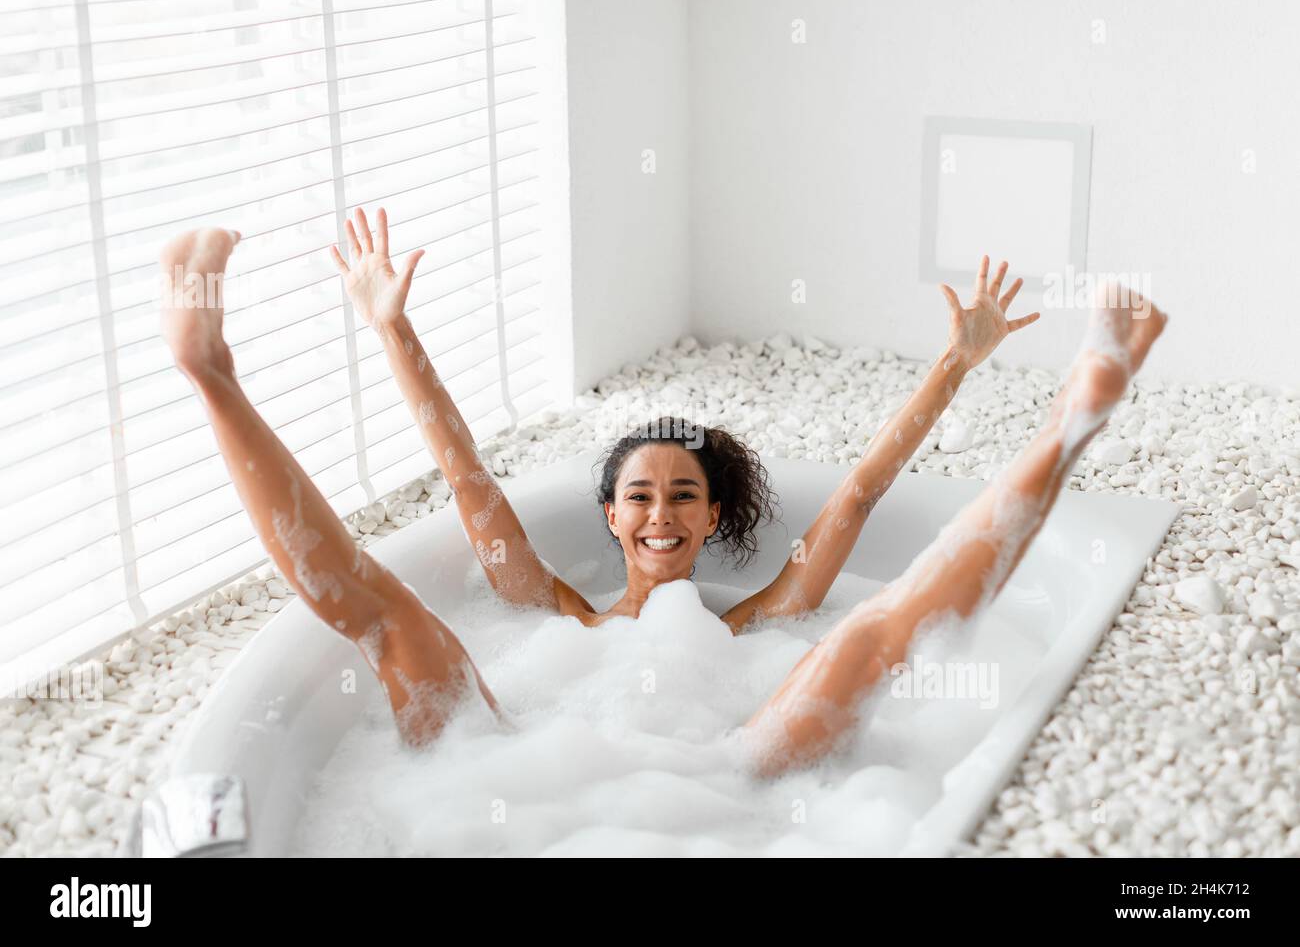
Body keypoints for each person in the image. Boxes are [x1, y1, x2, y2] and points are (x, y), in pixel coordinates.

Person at [158, 206, 1165, 777]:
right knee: (395, 616)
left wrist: (955, 362)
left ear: (711, 516)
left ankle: (1073, 415)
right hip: (511, 765)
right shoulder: (550, 613)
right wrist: (391, 328)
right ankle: (210, 369)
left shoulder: (755, 632)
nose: (659, 512)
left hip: (729, 771)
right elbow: (468, 480)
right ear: (608, 517)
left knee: (864, 638)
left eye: (683, 495)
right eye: (638, 496)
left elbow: (855, 500)